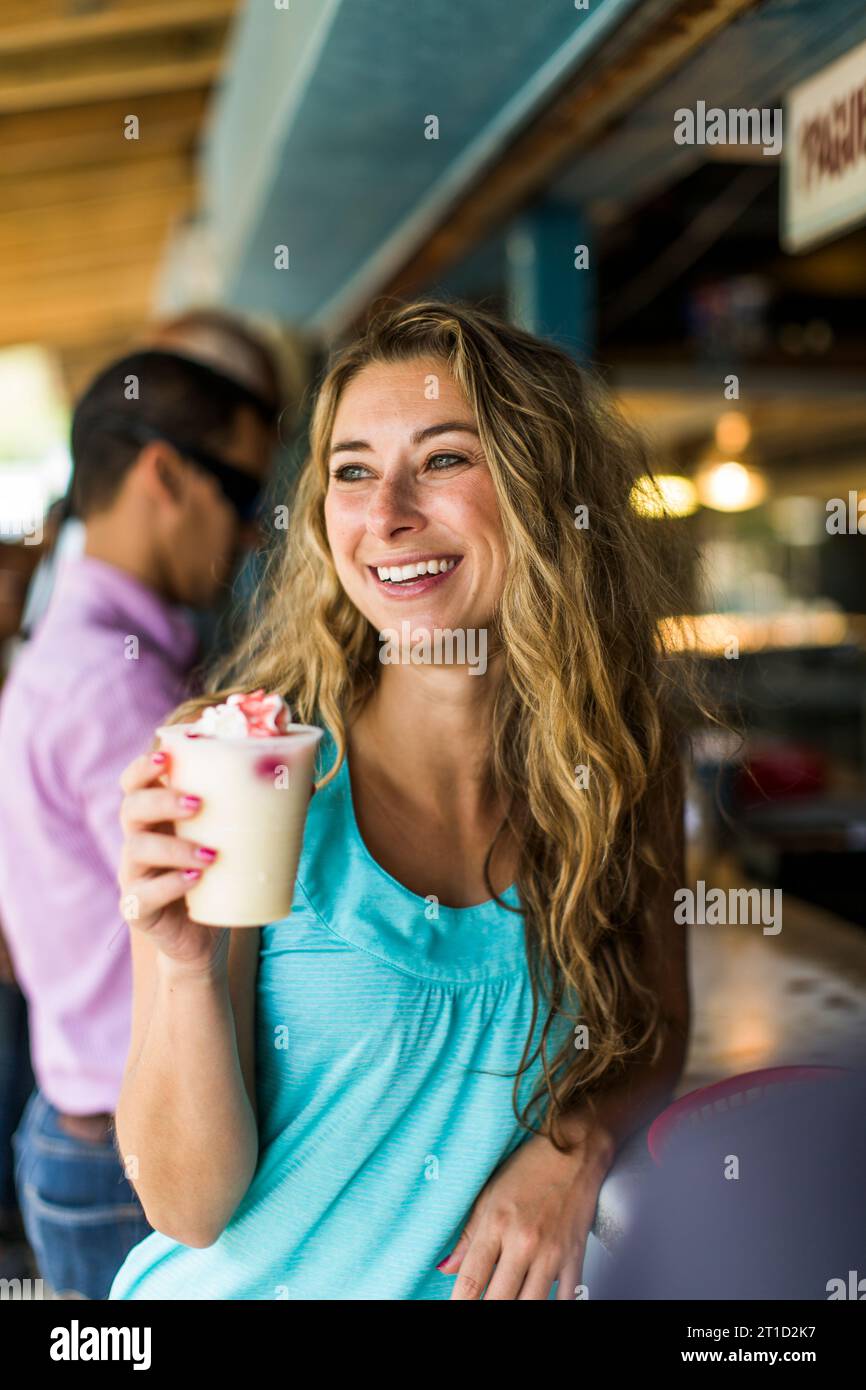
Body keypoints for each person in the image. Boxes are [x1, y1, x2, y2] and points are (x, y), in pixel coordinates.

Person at [109, 300, 692, 1302]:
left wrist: (573, 1143)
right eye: (349, 470)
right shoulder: (241, 757)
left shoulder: (619, 763)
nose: (383, 515)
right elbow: (189, 1208)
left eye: (442, 459)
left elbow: (657, 1026)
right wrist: (183, 969)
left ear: (540, 489)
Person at [0, 350, 275, 1298]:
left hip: (74, 1122)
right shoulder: (121, 686)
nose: (249, 534)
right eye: (241, 490)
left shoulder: (69, 647)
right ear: (164, 474)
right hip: (131, 1158)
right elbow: (212, 918)